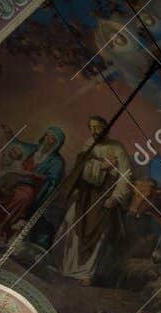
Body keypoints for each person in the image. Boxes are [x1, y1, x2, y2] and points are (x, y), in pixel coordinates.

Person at [58, 116, 133, 283]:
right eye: (91, 127)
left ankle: (87, 273)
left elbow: (125, 175)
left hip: (105, 194)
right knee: (72, 224)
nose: (94, 131)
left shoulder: (117, 148)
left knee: (99, 232)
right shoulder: (88, 144)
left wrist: (116, 197)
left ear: (106, 128)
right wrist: (103, 165)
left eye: (98, 127)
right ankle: (68, 268)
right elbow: (80, 167)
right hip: (86, 194)